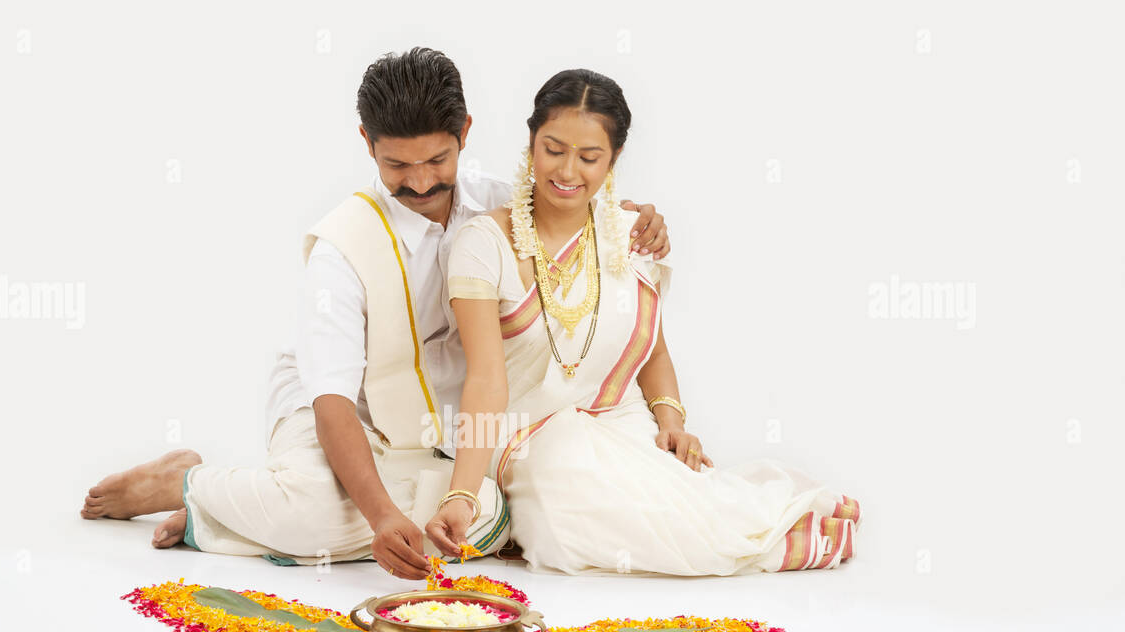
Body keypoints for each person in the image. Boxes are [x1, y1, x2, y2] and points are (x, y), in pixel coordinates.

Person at [79, 49, 671, 580]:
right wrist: (383, 517)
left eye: (437, 160)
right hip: (343, 417)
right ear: (368, 143)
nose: (418, 183)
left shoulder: (499, 203)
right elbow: (332, 401)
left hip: (445, 429)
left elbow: (580, 207)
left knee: (495, 511)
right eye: (396, 166)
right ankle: (188, 484)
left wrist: (640, 216)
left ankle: (226, 516)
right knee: (320, 508)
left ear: (464, 132)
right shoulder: (341, 249)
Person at [425, 68, 861, 576]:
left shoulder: (631, 235)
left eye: (589, 158)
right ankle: (752, 535)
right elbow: (484, 378)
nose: (568, 171)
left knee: (669, 498)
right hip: (526, 442)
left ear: (614, 160)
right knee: (557, 518)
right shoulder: (483, 243)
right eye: (553, 149)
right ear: (530, 141)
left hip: (620, 421)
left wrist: (673, 424)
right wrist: (462, 492)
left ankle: (764, 527)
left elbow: (650, 348)